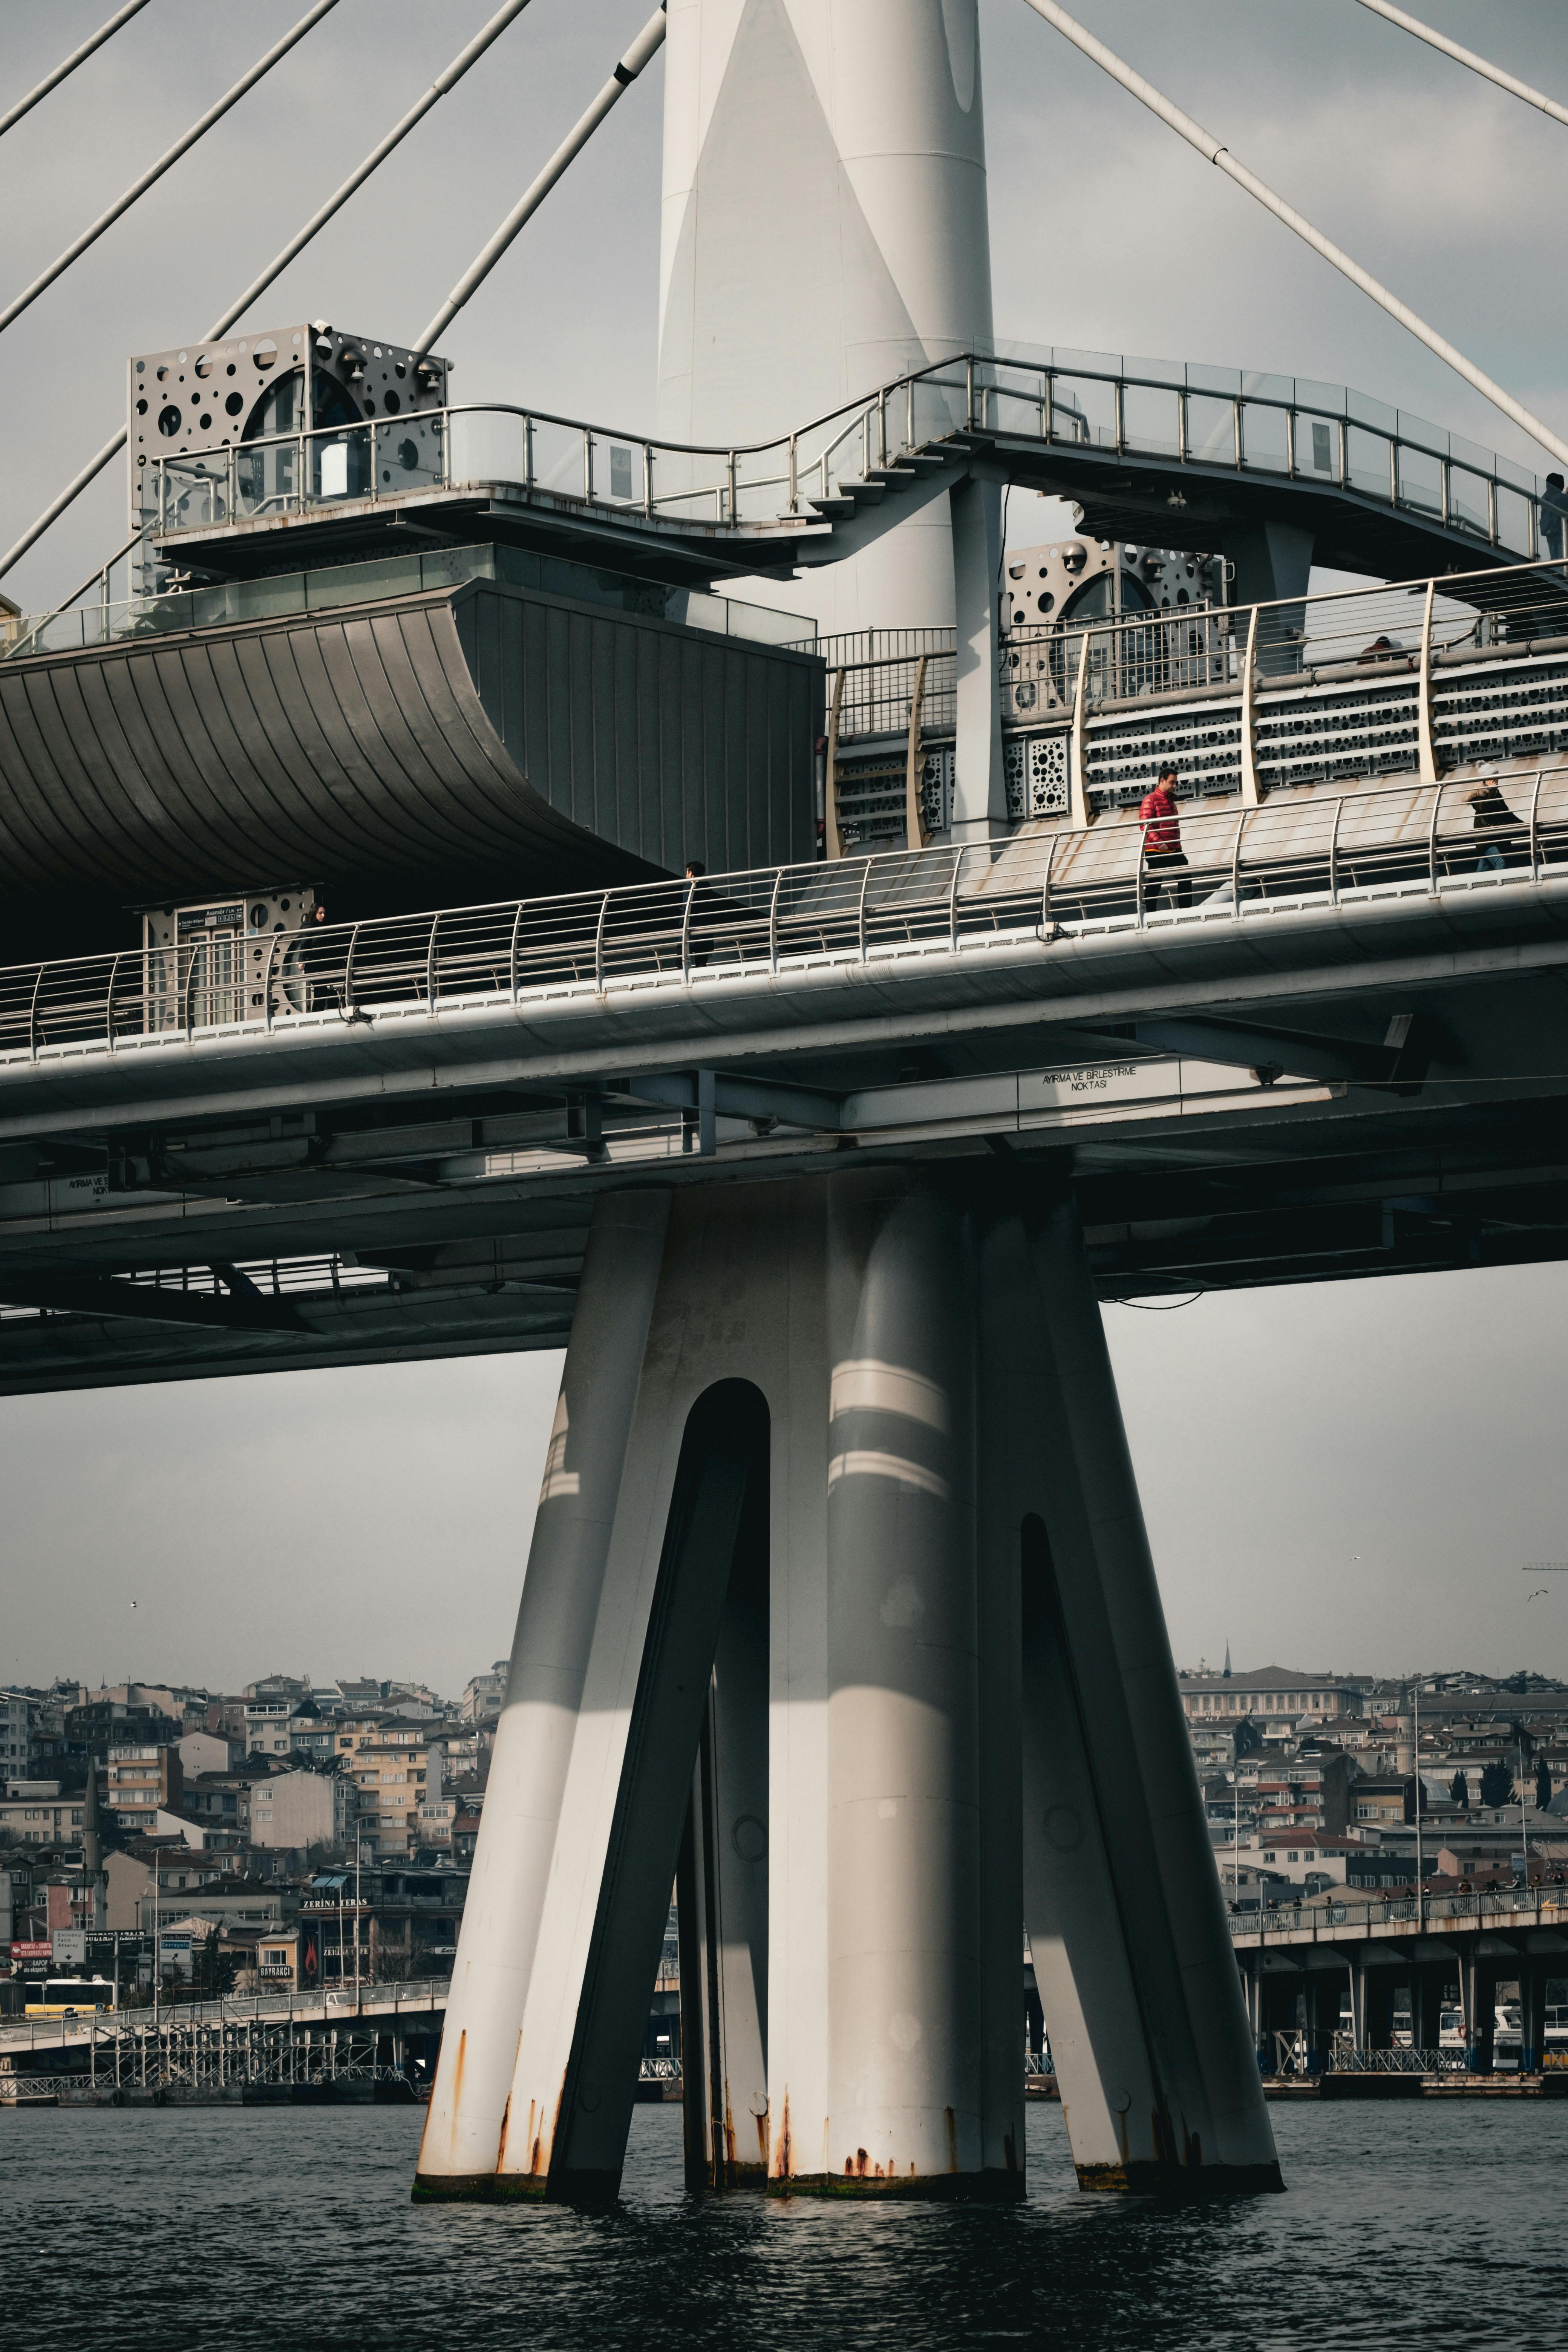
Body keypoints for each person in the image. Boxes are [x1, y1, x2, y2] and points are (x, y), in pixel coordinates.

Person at [1139, 761, 1190, 909]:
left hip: (1173, 848)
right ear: (1162, 781)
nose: (1175, 786)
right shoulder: (1150, 800)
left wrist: (1177, 846)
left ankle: (1186, 912)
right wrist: (1159, 843)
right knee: (1155, 883)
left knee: (1186, 877)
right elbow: (1145, 825)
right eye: (1172, 782)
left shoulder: (1171, 801)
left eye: (1176, 783)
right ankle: (1150, 913)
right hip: (1157, 849)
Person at [1467, 777, 1516, 873]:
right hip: (1486, 839)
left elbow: (1507, 815)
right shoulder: (1478, 793)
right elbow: (1485, 808)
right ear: (1486, 779)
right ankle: (1501, 882)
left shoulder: (1497, 794)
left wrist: (1526, 826)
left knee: (1484, 868)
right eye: (1493, 777)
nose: (1496, 779)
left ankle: (1476, 882)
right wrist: (1493, 790)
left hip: (1496, 837)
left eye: (1497, 777)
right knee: (1500, 863)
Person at [1541, 473, 1568, 563]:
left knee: (1555, 557)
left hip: (1549, 532)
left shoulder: (1545, 497)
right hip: (1561, 532)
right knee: (1563, 556)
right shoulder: (1561, 498)